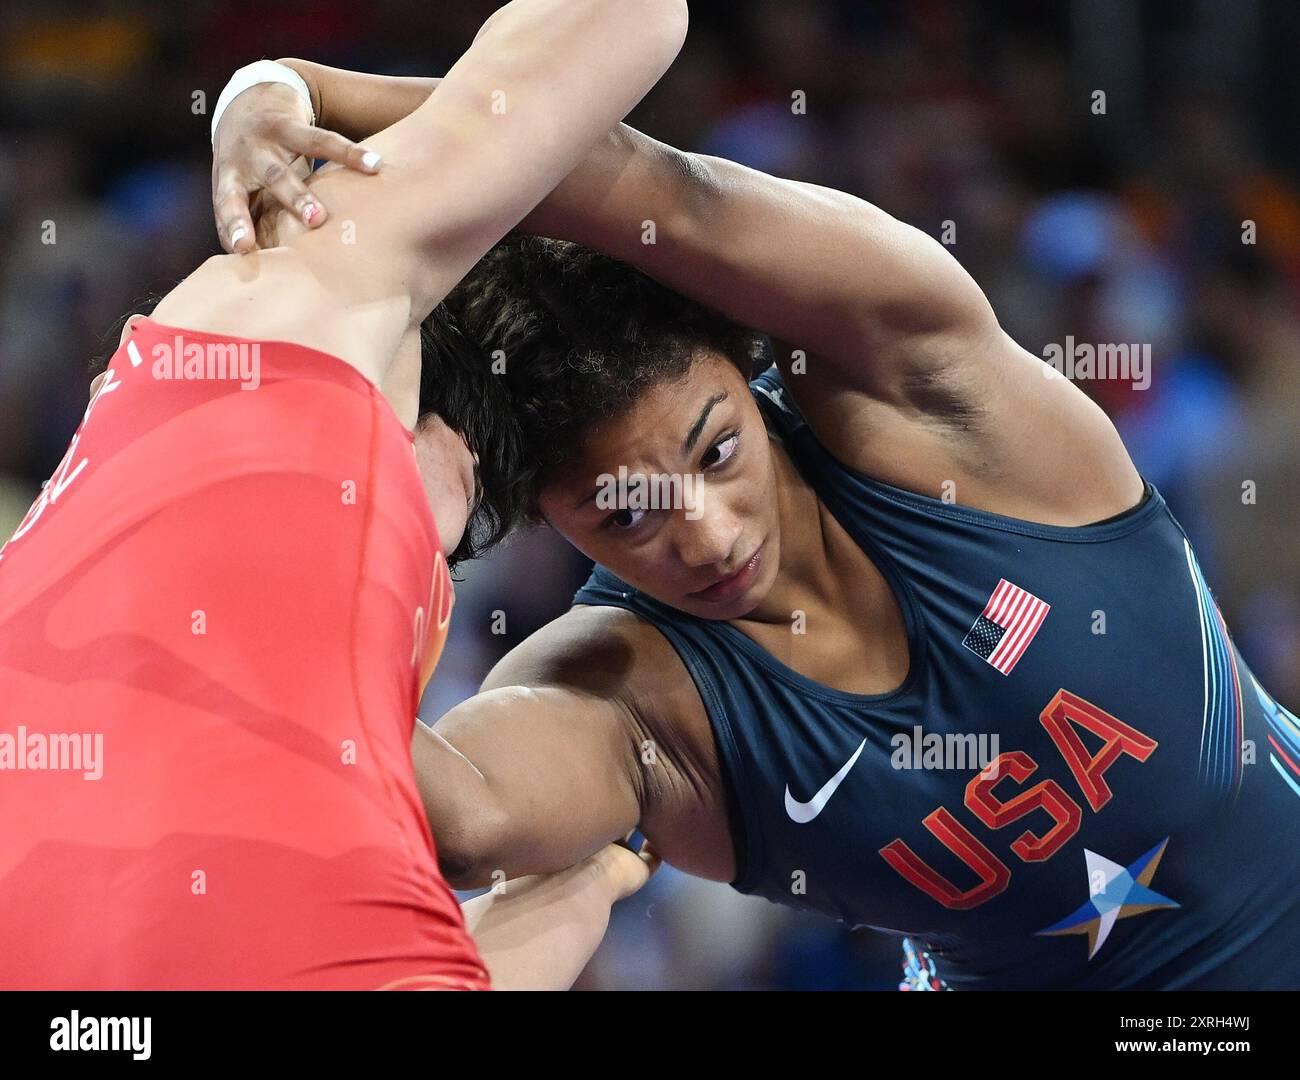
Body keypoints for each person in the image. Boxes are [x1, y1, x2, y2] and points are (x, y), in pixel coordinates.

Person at [214, 55, 1300, 990]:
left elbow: (664, 194)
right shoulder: (629, 694)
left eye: (717, 451)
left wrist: (301, 92)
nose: (707, 534)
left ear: (750, 361)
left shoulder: (936, 406)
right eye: (622, 513)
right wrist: (278, 531)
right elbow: (457, 812)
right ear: (550, 521)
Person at [0, 0, 688, 990]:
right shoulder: (301, 303)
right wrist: (294, 87)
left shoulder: (216, 342)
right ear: (457, 455)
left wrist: (266, 82)